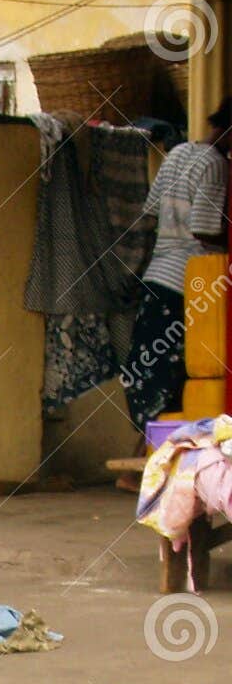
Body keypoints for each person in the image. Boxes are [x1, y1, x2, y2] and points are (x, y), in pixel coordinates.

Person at [124, 99, 232, 433]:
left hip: (157, 275)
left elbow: (152, 209)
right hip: (187, 282)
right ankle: (164, 451)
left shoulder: (178, 153)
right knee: (175, 379)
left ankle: (150, 450)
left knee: (149, 371)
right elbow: (204, 228)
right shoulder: (216, 164)